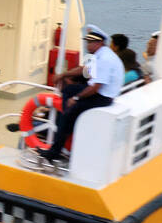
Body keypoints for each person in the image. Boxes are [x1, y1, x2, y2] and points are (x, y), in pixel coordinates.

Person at [41, 25, 124, 166]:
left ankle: (54, 152)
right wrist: (63, 75)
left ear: (99, 43)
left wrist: (76, 98)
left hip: (102, 97)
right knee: (68, 89)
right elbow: (84, 70)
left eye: (90, 42)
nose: (87, 45)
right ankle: (66, 120)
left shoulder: (105, 59)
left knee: (68, 114)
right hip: (95, 90)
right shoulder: (96, 54)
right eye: (87, 42)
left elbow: (96, 88)